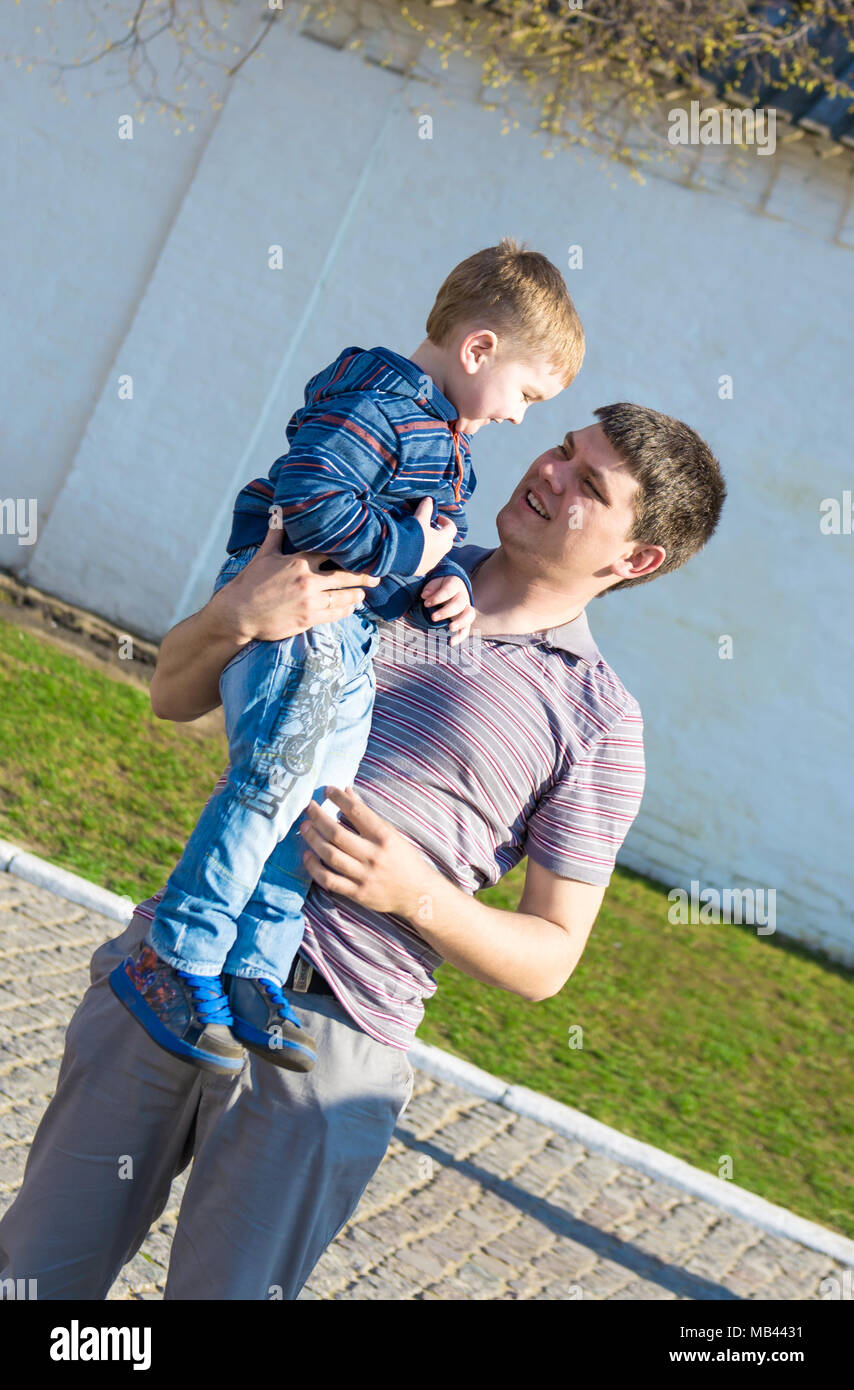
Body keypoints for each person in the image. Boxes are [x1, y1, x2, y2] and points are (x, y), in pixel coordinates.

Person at [0, 404, 725, 1300]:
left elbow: (552, 957)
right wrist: (237, 614)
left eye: (590, 485)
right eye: (562, 448)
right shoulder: (386, 554)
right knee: (31, 1279)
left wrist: (415, 895)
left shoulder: (599, 721)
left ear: (634, 559)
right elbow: (172, 691)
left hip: (328, 1041)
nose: (550, 473)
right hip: (179, 960)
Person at [113, 239, 583, 1076]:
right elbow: (315, 497)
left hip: (344, 625)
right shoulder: (377, 400)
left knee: (316, 800)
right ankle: (175, 955)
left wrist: (436, 587)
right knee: (271, 784)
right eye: (526, 394)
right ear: (479, 349)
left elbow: (394, 554)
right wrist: (410, 551)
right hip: (296, 609)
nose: (519, 417)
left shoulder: (440, 430)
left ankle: (255, 966)